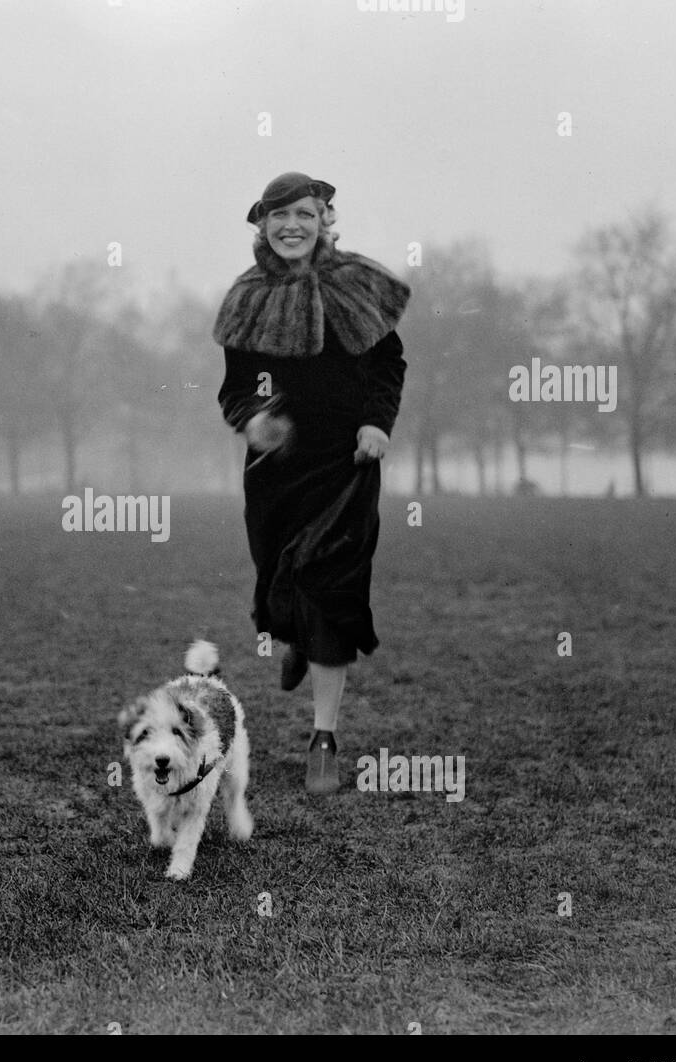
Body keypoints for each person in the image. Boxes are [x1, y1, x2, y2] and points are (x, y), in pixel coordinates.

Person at [213, 171, 410, 793]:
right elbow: (236, 389)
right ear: (262, 225)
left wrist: (377, 424)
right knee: (280, 588)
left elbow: (387, 364)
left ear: (324, 219)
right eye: (278, 216)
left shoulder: (357, 284)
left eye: (303, 213)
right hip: (277, 473)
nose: (291, 225)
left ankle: (324, 737)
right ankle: (295, 632)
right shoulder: (247, 297)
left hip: (347, 464)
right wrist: (255, 421)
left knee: (332, 591)